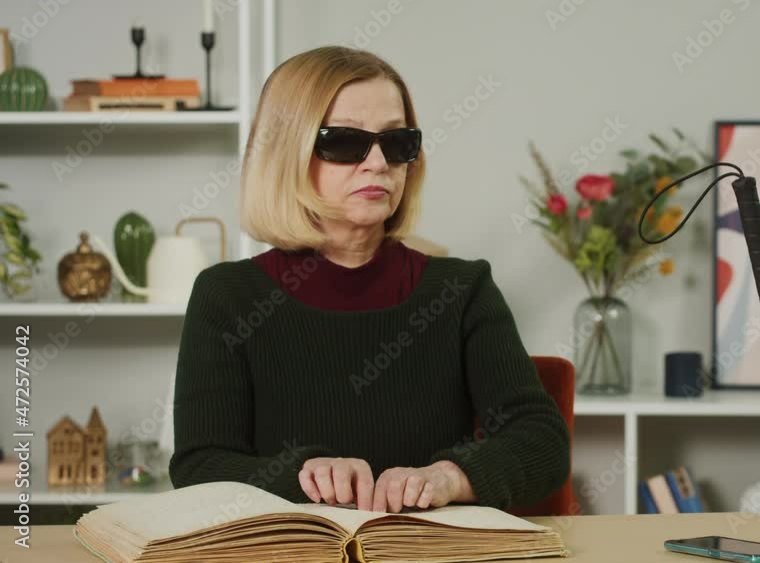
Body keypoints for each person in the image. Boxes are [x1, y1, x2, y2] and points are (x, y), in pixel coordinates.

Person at [167, 46, 570, 514]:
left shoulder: (462, 290)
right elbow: (200, 465)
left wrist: (449, 477)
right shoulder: (228, 296)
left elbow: (541, 441)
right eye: (344, 142)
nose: (378, 163)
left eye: (397, 143)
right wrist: (303, 473)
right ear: (286, 153)